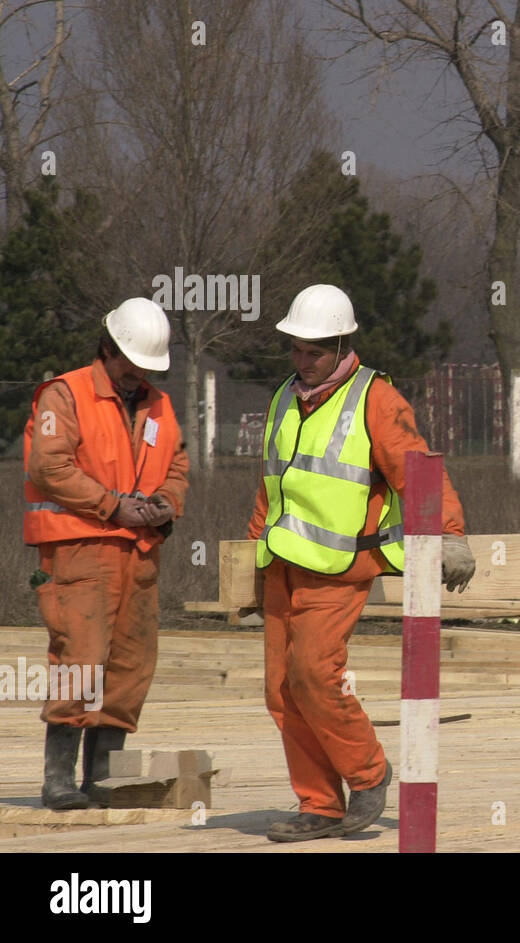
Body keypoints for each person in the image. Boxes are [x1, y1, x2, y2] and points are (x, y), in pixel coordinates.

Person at [246, 284, 476, 842]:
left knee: (313, 676)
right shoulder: (284, 396)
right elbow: (272, 486)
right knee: (281, 689)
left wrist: (450, 534)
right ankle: (319, 805)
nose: (303, 361)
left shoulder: (376, 399)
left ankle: (368, 773)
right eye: (296, 349)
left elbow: (418, 470)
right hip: (281, 566)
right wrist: (253, 562)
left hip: (339, 567)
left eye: (315, 351)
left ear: (343, 344)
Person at [23, 298, 189, 810]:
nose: (141, 375)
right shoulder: (65, 395)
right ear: (111, 350)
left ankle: (101, 779)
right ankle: (58, 781)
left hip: (137, 555)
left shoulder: (159, 404)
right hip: (81, 550)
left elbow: (177, 463)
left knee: (128, 669)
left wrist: (165, 505)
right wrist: (113, 506)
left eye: (148, 367)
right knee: (81, 658)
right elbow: (49, 468)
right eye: (135, 363)